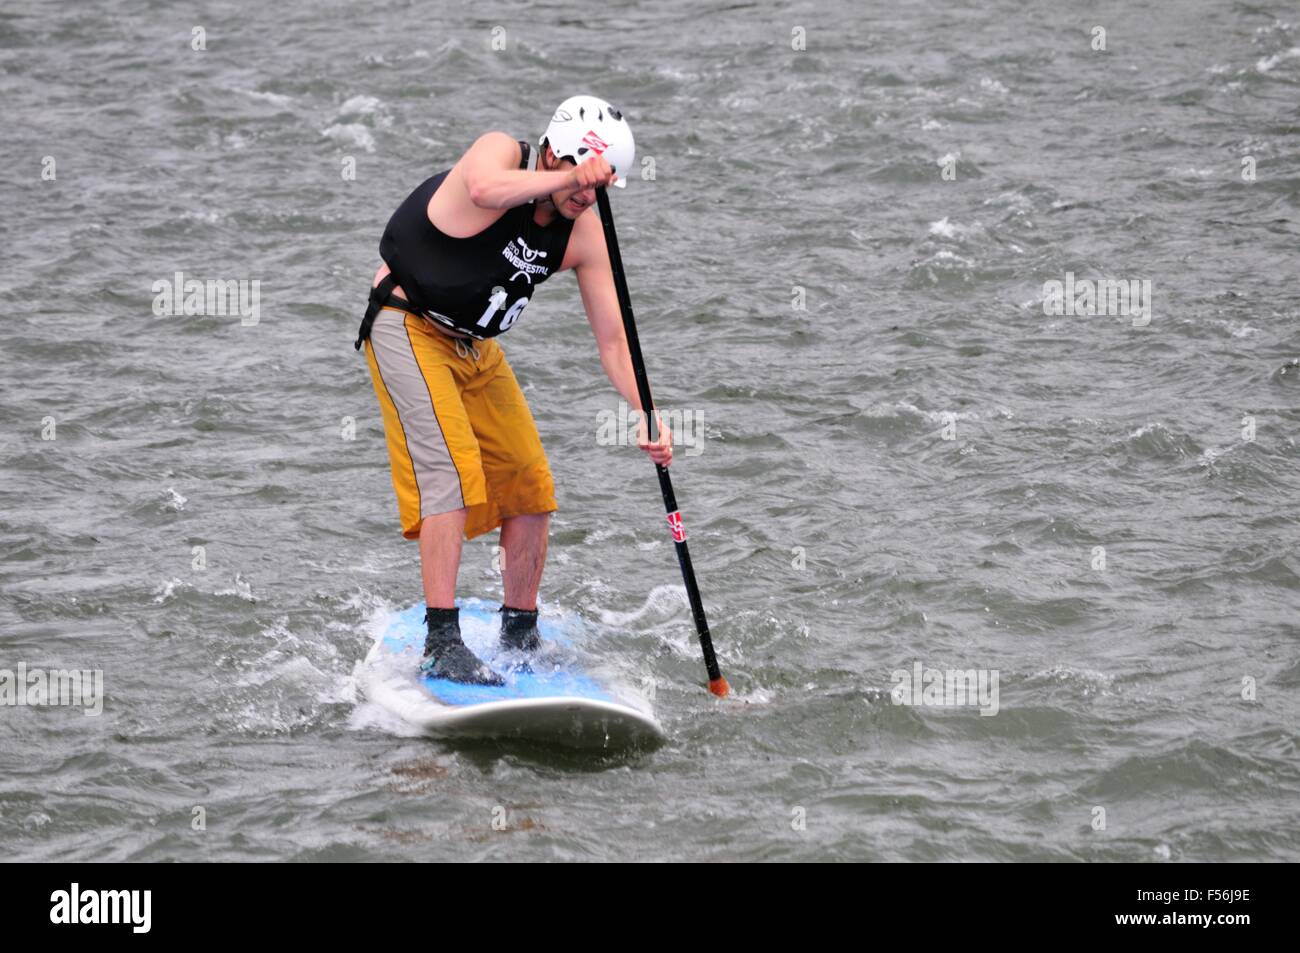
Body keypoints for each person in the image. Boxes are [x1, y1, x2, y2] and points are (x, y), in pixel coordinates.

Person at [355, 94, 673, 685]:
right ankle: (442, 642)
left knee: (530, 483)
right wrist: (573, 172)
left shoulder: (584, 233)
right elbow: (481, 189)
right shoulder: (501, 153)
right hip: (407, 322)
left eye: (598, 188)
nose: (587, 197)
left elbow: (612, 341)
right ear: (552, 152)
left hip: (476, 347)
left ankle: (519, 632)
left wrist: (646, 411)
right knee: (451, 471)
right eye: (579, 179)